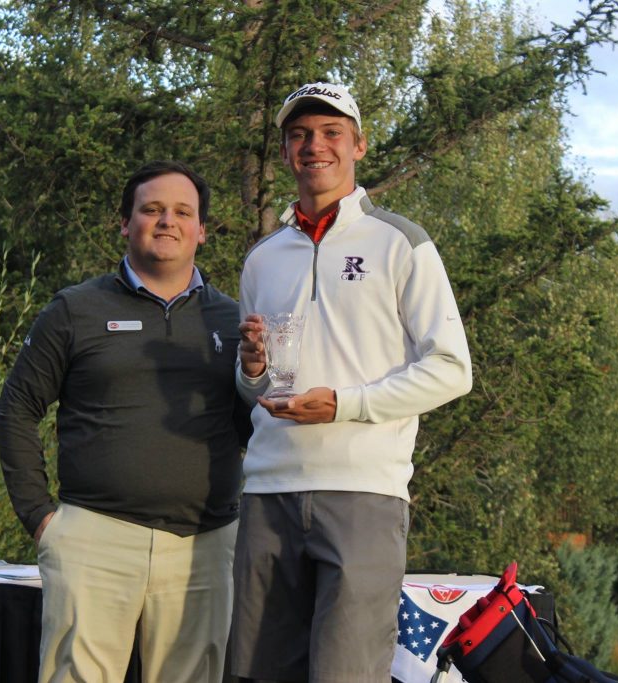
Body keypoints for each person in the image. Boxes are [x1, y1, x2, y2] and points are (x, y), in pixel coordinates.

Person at [230, 82, 473, 682]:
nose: (315, 146)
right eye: (300, 135)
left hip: (364, 491)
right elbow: (251, 391)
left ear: (359, 145)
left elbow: (452, 369)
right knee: (259, 675)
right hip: (266, 494)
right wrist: (253, 370)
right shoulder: (262, 258)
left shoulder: (401, 243)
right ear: (286, 152)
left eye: (331, 132)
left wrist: (345, 404)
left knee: (347, 674)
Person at [0, 160, 247, 683]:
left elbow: (252, 428)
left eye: (182, 212)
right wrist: (42, 519)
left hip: (205, 545)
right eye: (151, 209)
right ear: (125, 222)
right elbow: (17, 407)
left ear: (202, 229)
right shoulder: (75, 310)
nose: (166, 222)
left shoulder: (233, 320)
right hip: (93, 538)